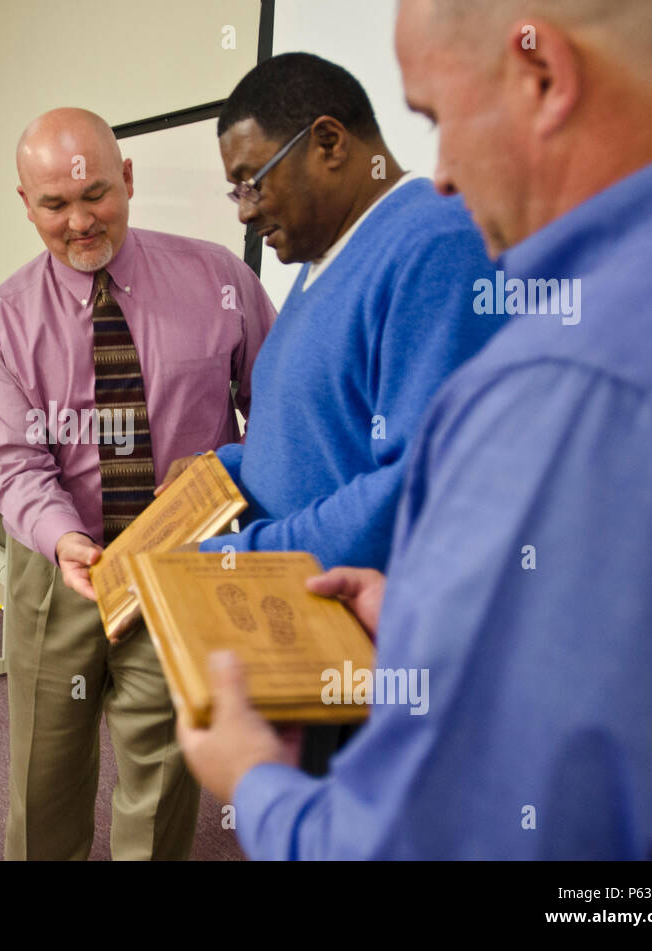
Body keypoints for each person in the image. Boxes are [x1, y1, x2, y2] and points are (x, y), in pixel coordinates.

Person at [178, 0, 652, 859]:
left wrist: (255, 783)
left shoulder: (570, 373)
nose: (442, 174)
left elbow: (444, 838)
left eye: (437, 118)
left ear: (544, 76)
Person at [162, 52, 502, 775]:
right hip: (306, 633)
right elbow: (315, 433)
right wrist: (217, 473)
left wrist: (233, 564)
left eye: (251, 181)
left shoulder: (435, 245)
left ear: (329, 141)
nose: (247, 211)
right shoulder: (327, 259)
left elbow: (417, 483)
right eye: (234, 193)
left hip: (369, 661)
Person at [0, 107, 276, 860]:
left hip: (181, 567)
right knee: (46, 777)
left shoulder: (219, 280)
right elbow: (9, 459)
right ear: (26, 204)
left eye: (95, 194)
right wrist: (63, 537)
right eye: (55, 204)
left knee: (164, 779)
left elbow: (278, 408)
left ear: (128, 180)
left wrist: (236, 503)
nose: (79, 221)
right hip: (57, 571)